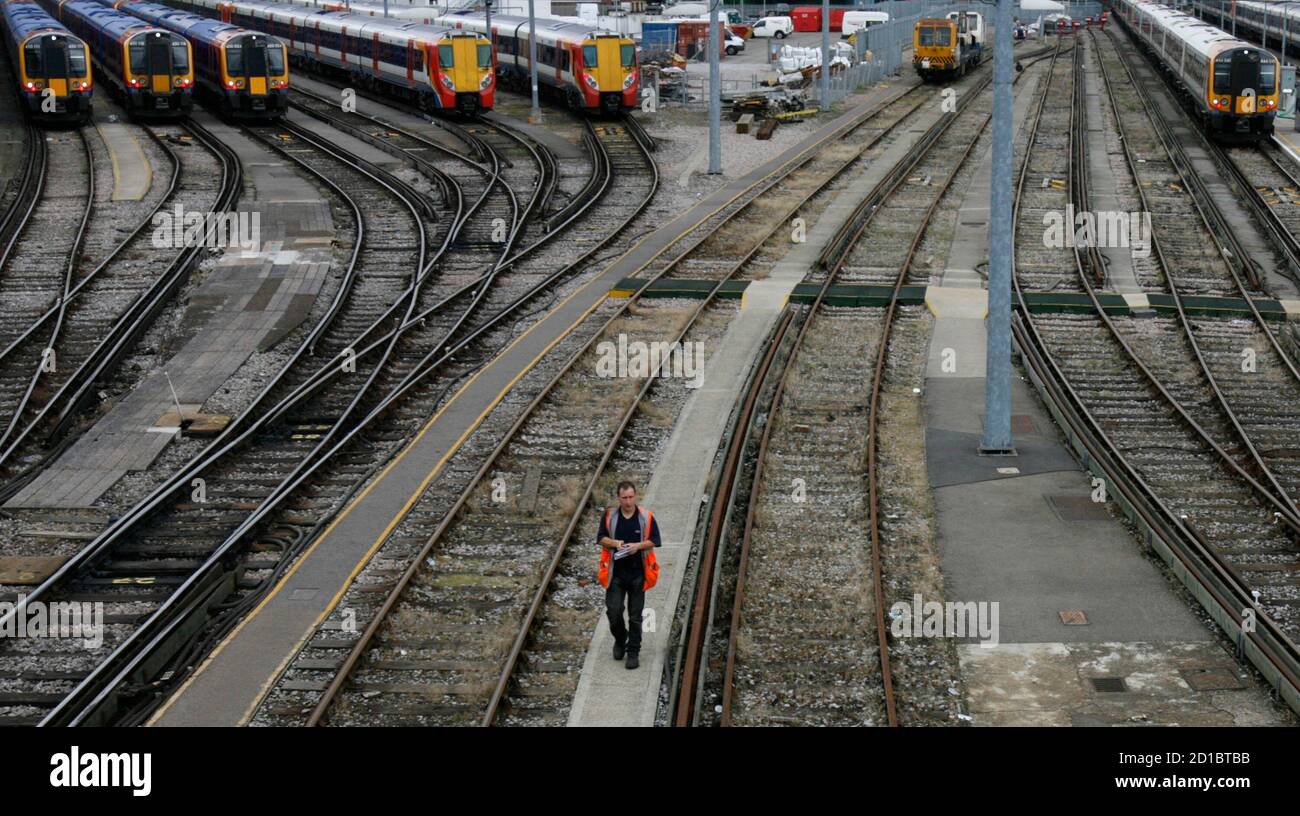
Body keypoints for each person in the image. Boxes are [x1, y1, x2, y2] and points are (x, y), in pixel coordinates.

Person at [596, 481, 662, 670]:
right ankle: (620, 638)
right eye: (624, 498)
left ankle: (633, 652)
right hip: (615, 574)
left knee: (635, 616)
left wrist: (637, 546)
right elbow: (600, 538)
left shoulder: (646, 518)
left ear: (636, 496)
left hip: (638, 574)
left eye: (631, 497)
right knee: (613, 612)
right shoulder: (610, 516)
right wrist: (615, 543)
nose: (628, 501)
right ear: (619, 498)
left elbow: (655, 540)